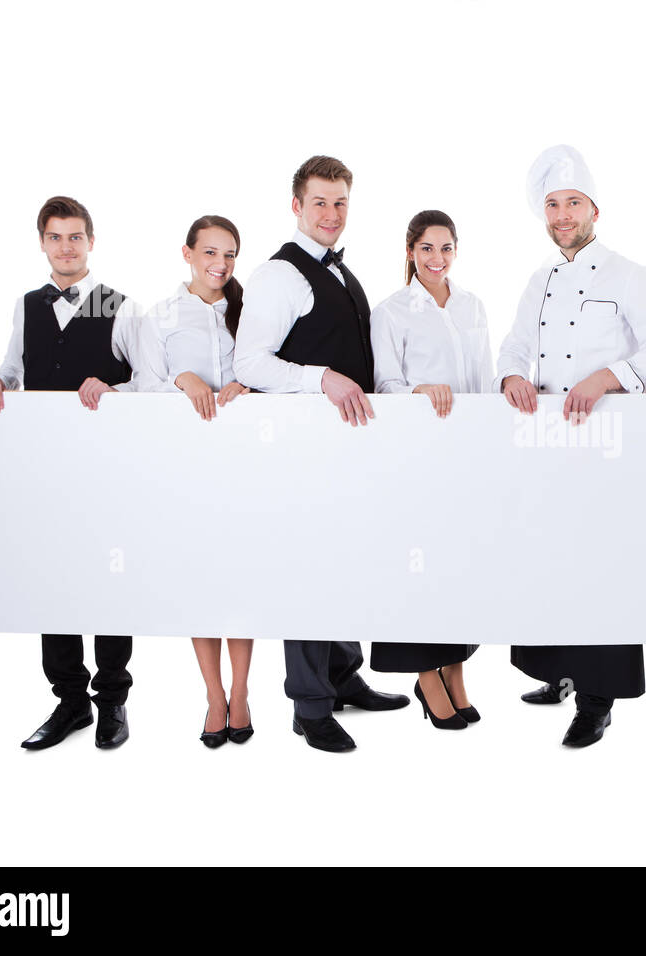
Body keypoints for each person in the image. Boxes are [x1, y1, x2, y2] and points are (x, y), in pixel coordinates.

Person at [496, 144, 646, 747]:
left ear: (594, 210)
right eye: (552, 205)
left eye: (572, 203)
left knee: (601, 564)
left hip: (606, 443)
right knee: (549, 555)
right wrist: (512, 378)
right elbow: (512, 347)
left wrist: (606, 379)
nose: (562, 214)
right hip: (549, 441)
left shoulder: (629, 273)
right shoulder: (539, 280)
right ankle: (558, 672)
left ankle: (597, 700)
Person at [233, 155, 408, 753]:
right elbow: (249, 363)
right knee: (307, 565)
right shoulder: (278, 276)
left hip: (347, 449)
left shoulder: (339, 269)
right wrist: (322, 379)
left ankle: (340, 675)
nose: (331, 215)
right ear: (295, 206)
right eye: (320, 203)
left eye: (340, 203)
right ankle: (309, 706)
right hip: (302, 453)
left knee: (345, 558)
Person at [0, 195, 143, 750]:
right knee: (54, 580)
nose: (66, 247)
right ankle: (69, 702)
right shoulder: (27, 304)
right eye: (55, 237)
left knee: (109, 582)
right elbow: (13, 369)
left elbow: (149, 381)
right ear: (42, 243)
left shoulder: (118, 305)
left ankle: (112, 701)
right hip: (46, 468)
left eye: (75, 237)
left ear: (91, 241)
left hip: (106, 469)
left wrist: (113, 387)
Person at [368, 209, 491, 729]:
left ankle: (455, 667)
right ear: (410, 253)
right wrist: (420, 390)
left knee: (456, 565)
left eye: (445, 248)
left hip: (464, 452)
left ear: (455, 251)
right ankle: (425, 674)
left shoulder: (472, 306)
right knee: (415, 565)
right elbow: (385, 384)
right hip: (416, 455)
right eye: (426, 249)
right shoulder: (392, 311)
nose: (436, 259)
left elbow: (484, 380)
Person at [143, 215, 256, 746]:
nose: (220, 265)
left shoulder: (245, 310)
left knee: (240, 580)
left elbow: (262, 369)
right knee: (200, 584)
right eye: (210, 253)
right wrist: (181, 380)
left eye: (229, 255)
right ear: (187, 253)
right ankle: (213, 695)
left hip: (240, 466)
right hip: (185, 468)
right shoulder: (161, 315)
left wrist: (244, 386)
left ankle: (241, 693)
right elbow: (143, 387)